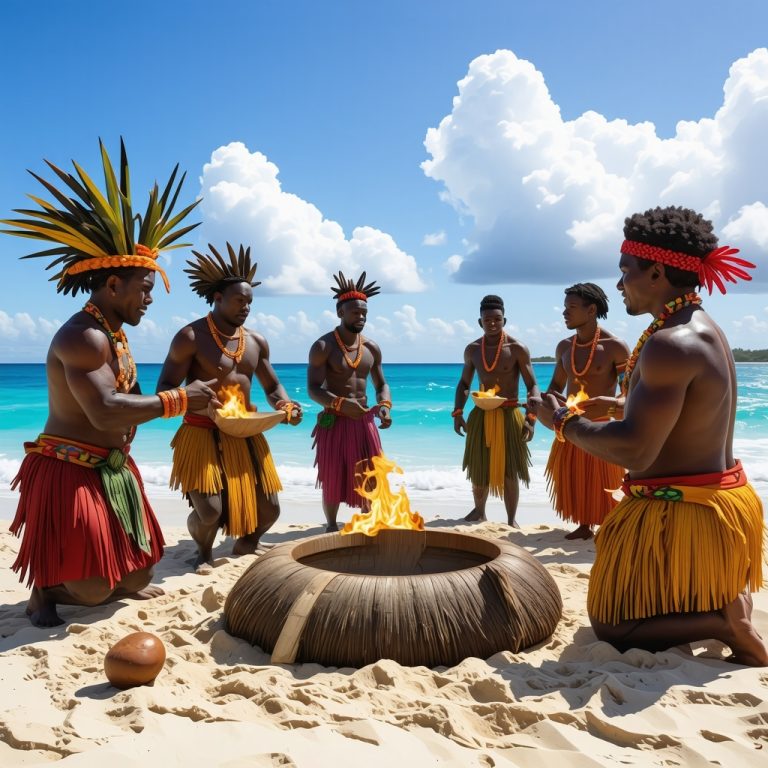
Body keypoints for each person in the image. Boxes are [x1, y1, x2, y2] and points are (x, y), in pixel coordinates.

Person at [536, 205, 767, 665]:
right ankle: (721, 600)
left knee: (613, 627)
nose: (619, 285)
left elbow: (636, 448)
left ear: (657, 272)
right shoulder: (698, 329)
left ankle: (724, 623)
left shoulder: (668, 343)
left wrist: (561, 422)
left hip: (681, 511)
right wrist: (623, 404)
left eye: (626, 272)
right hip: (717, 503)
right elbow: (691, 412)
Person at [2, 140, 215, 626]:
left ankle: (95, 578)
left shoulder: (113, 335)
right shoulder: (83, 337)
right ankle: (44, 591)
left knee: (139, 577)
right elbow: (102, 411)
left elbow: (125, 400)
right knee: (95, 592)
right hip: (70, 470)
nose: (149, 300)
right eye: (144, 289)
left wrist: (182, 402)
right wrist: (179, 399)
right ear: (113, 285)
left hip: (112, 467)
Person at [158, 243, 302, 572]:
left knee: (269, 511)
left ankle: (247, 541)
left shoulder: (256, 341)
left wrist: (284, 404)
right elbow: (164, 388)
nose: (246, 307)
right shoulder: (190, 336)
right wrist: (190, 398)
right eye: (240, 300)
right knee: (209, 512)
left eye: (250, 301)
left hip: (246, 431)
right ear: (218, 297)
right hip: (200, 432)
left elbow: (272, 385)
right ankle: (203, 552)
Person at [308, 271, 392, 532]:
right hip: (336, 420)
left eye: (364, 313)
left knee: (371, 471)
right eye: (355, 312)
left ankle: (369, 519)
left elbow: (381, 384)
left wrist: (385, 407)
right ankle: (331, 525)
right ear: (340, 312)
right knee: (333, 474)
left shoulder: (372, 348)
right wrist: (340, 404)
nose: (361, 317)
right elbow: (312, 389)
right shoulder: (323, 346)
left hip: (364, 420)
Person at [544, 283, 629, 539]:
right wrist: (549, 404)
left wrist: (614, 404)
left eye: (571, 307)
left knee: (605, 481)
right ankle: (584, 525)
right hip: (569, 424)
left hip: (602, 427)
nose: (564, 313)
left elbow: (629, 391)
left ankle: (613, 526)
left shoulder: (615, 346)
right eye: (565, 307)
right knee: (574, 479)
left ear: (591, 310)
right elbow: (556, 386)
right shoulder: (564, 347)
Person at [453, 295, 539, 527]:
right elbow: (464, 383)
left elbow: (532, 385)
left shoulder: (517, 348)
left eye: (497, 319)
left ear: (504, 320)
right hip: (481, 413)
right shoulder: (472, 350)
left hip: (510, 413)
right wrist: (458, 412)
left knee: (510, 468)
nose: (492, 323)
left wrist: (531, 418)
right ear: (480, 322)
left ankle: (511, 520)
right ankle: (479, 512)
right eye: (487, 319)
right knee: (478, 465)